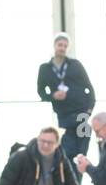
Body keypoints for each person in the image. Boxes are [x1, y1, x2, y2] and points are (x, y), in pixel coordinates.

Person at [36, 32, 95, 160]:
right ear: (54, 46)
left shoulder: (75, 65)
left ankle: (77, 179)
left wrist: (89, 110)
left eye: (65, 46)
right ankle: (70, 179)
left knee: (81, 152)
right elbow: (41, 92)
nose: (62, 48)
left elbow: (89, 88)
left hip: (81, 115)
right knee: (67, 152)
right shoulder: (45, 68)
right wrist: (53, 96)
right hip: (64, 116)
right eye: (60, 45)